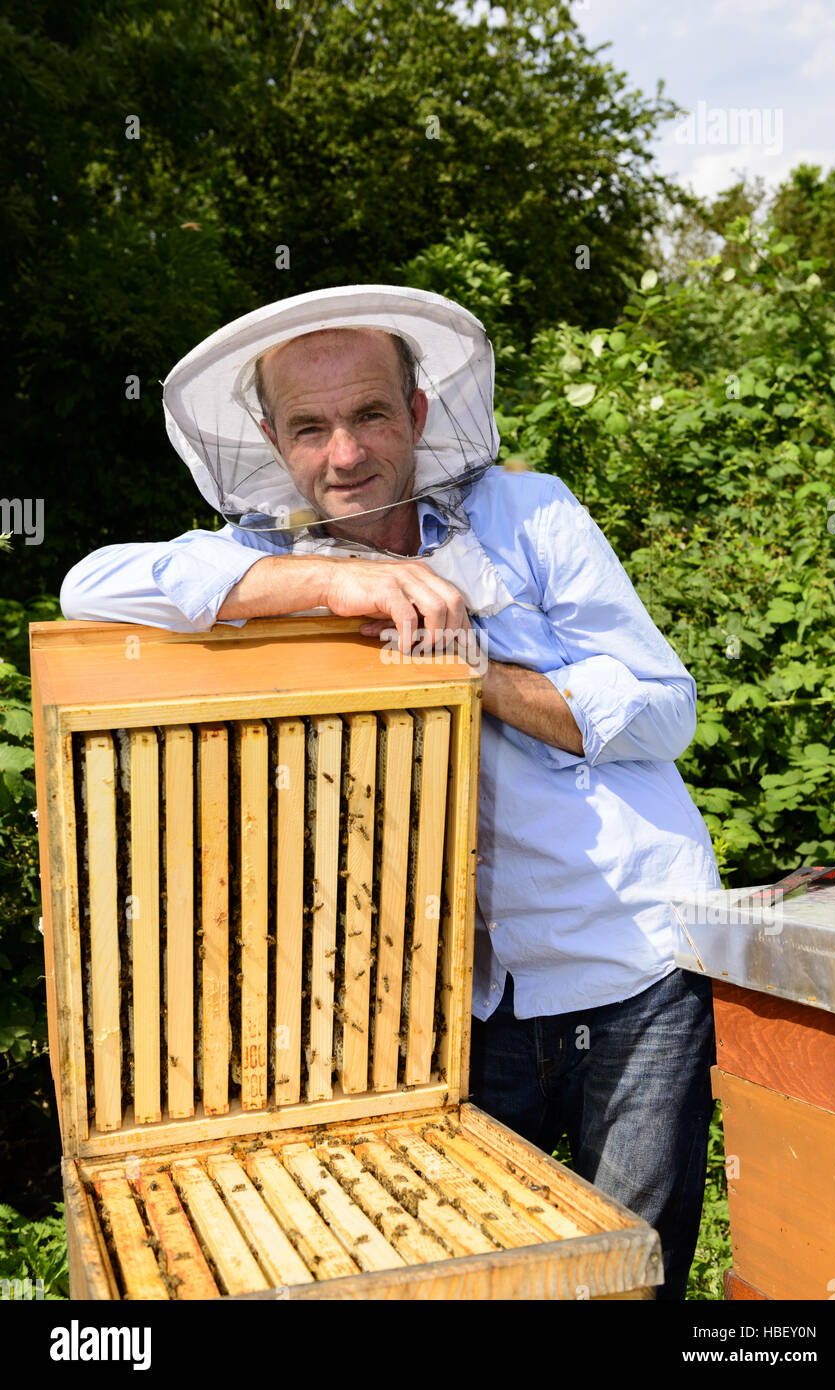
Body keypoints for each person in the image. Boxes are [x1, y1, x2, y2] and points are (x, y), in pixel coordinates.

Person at [60, 285, 719, 1299]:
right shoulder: (270, 553)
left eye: (369, 414)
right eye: (310, 427)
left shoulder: (529, 514)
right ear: (275, 441)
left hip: (628, 960)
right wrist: (327, 586)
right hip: (458, 1004)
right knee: (474, 1272)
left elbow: (667, 709)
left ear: (415, 415)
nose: (345, 454)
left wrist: (481, 680)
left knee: (630, 1274)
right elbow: (90, 586)